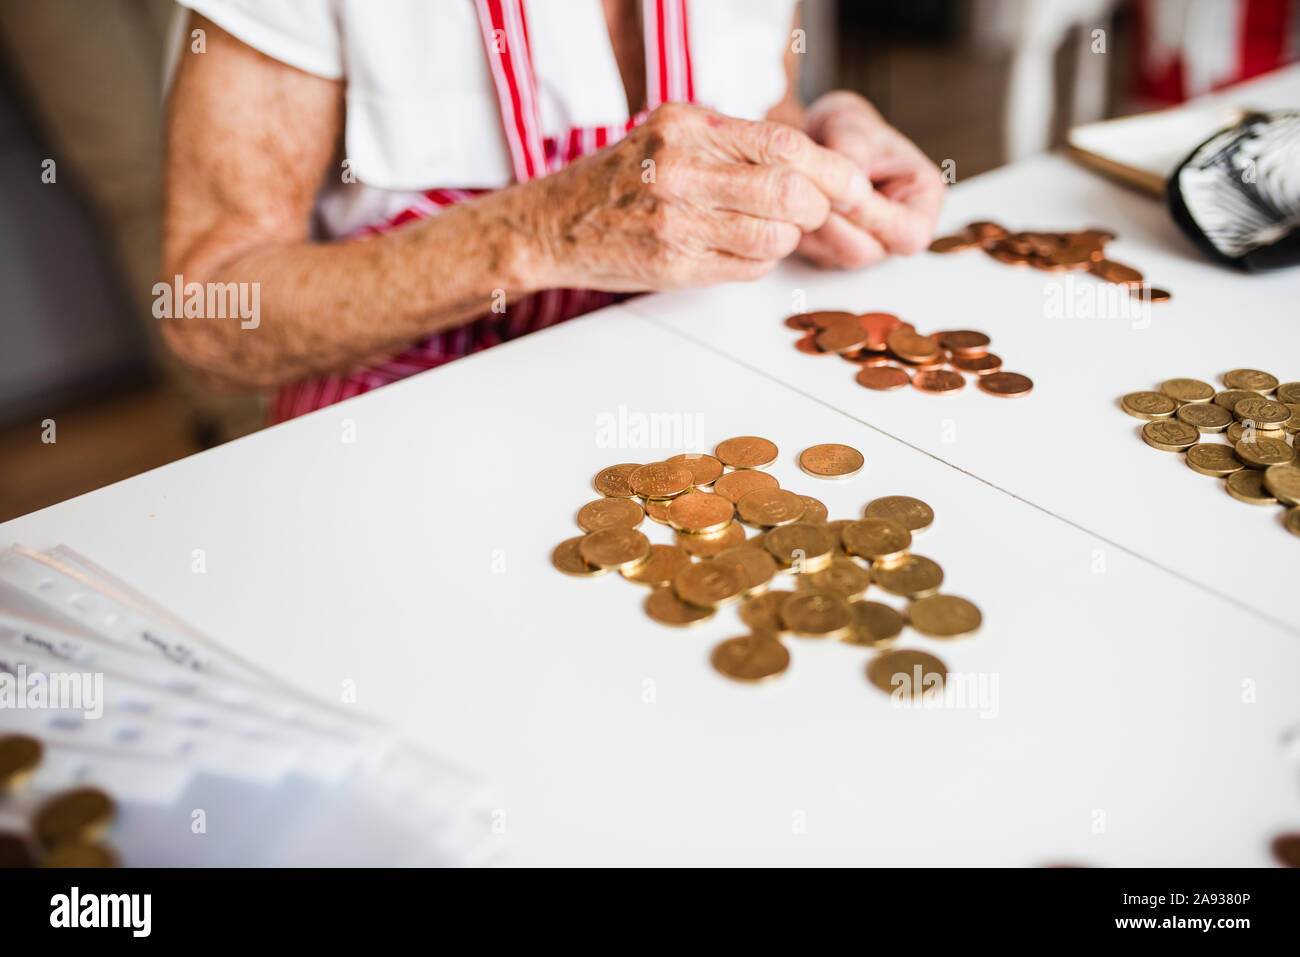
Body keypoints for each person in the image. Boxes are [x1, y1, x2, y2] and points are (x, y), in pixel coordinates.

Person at [162, 0, 944, 421]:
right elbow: (208, 309)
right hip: (406, 443)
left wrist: (813, 142)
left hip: (696, 423)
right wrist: (538, 231)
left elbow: (769, 94)